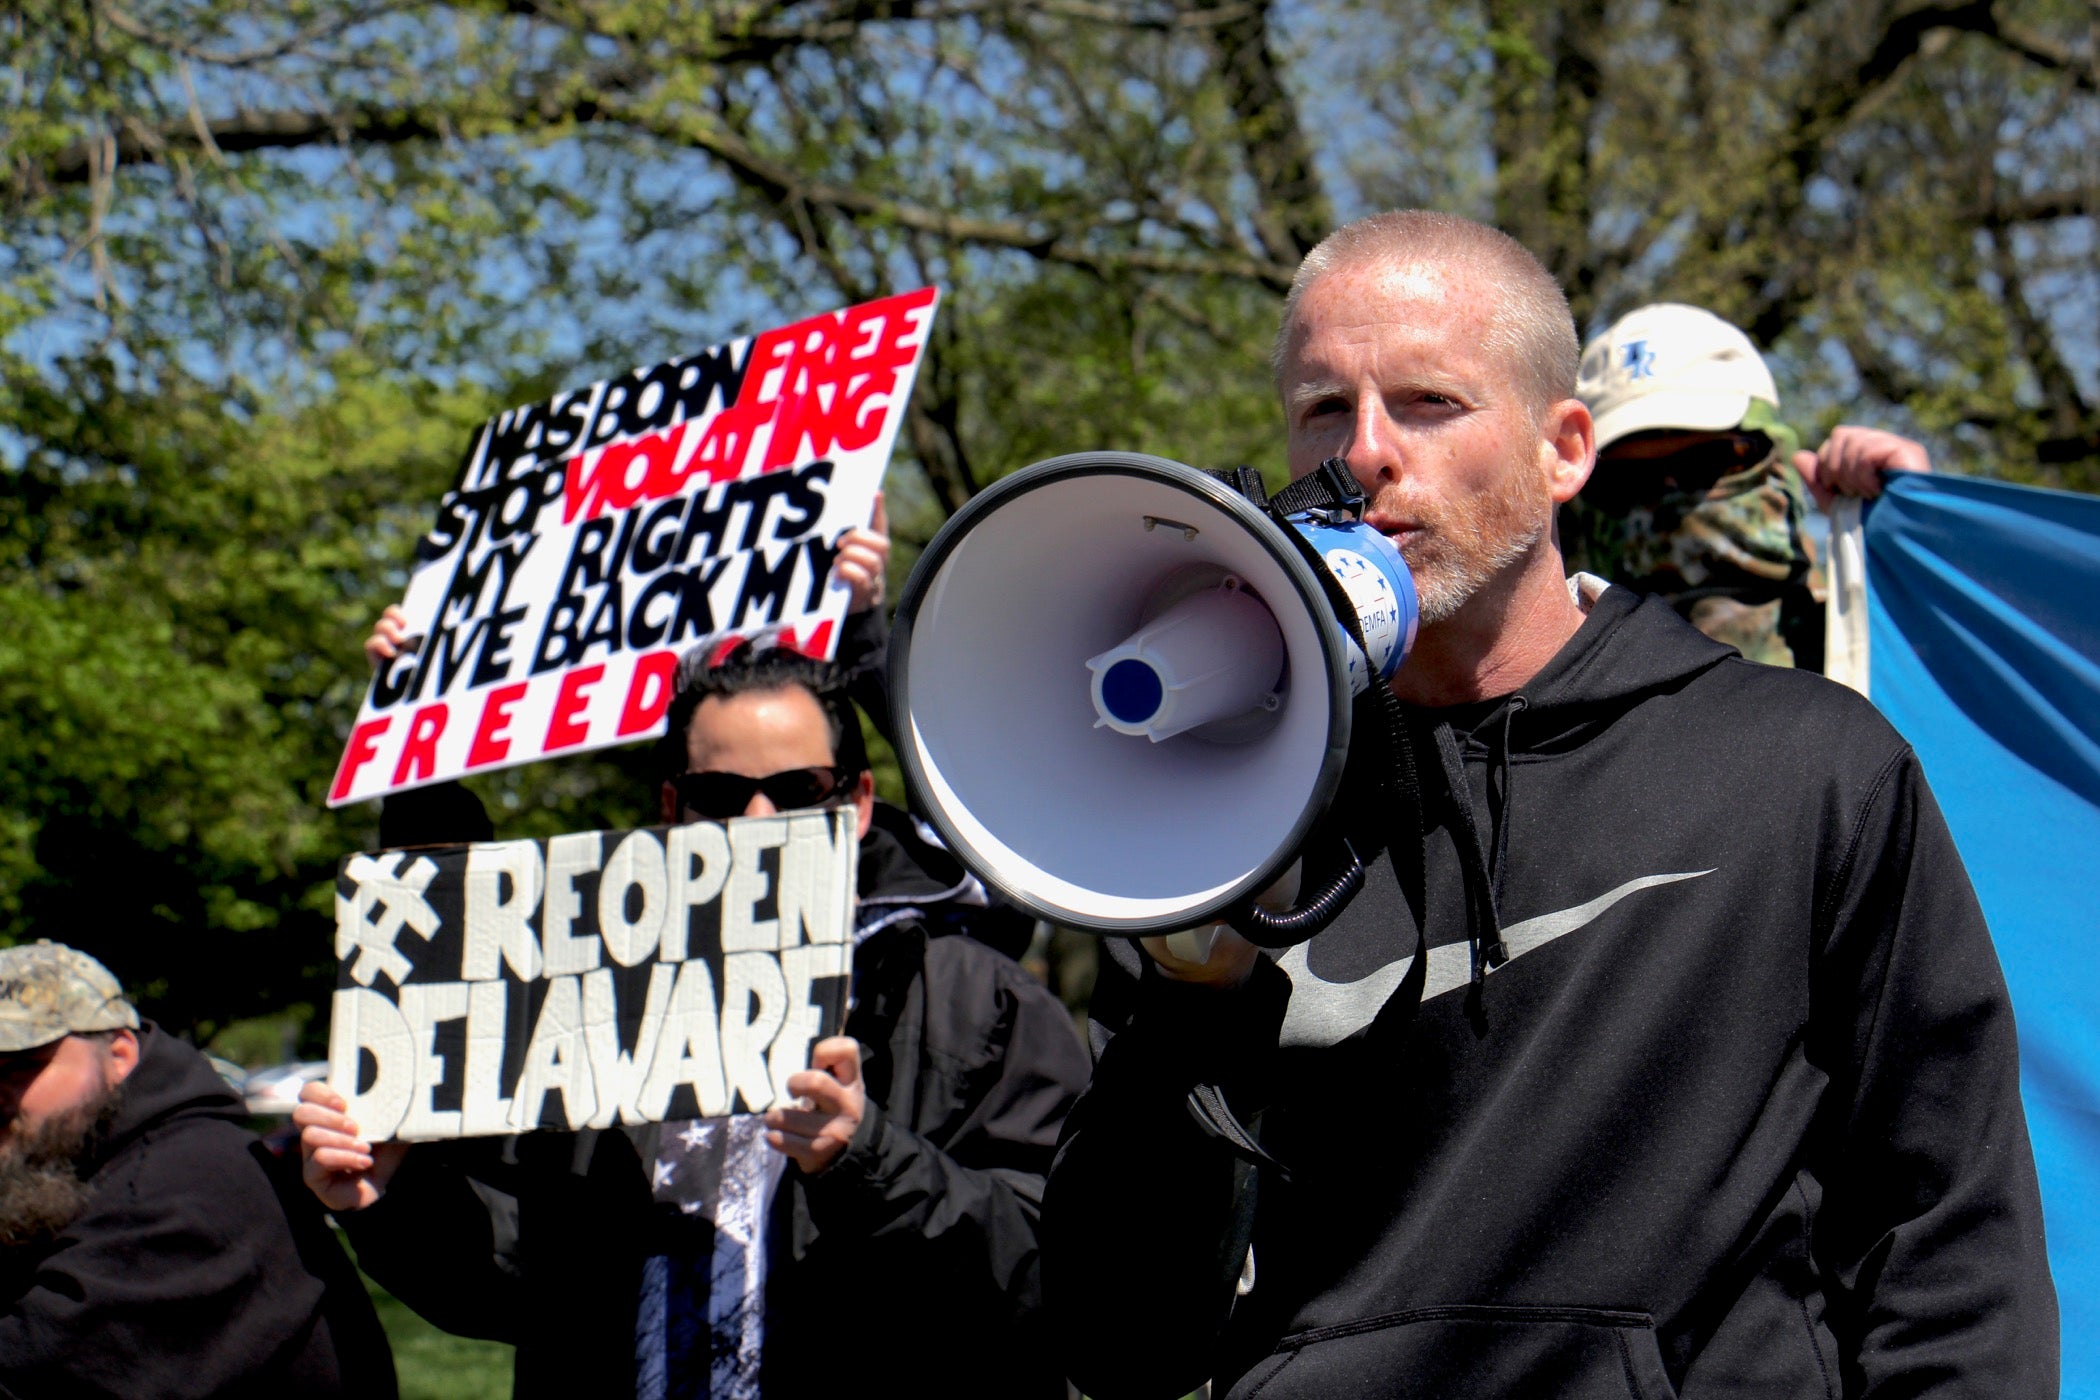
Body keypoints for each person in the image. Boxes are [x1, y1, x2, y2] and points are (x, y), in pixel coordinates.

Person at [1042, 211, 2056, 1398]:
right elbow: (1119, 1338)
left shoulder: (1806, 770)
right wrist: (1190, 993)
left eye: (1429, 401)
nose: (1366, 452)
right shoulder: (1238, 818)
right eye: (1324, 409)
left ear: (1563, 447)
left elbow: (1949, 1251)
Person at [298, 644, 1091, 1398]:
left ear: (854, 804)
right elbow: (537, 1283)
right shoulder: (589, 1001)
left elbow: (1070, 1283)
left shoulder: (973, 1002)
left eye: (797, 790)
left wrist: (869, 1161)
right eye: (719, 796)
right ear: (674, 809)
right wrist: (392, 1197)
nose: (756, 819)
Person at [0, 940, 396, 1399]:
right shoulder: (71, 1167)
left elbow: (36, 1376)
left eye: (22, 1066)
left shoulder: (191, 1182)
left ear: (120, 1056)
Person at [1563, 301, 1930, 669]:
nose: (1670, 504)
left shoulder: (1875, 649)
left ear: (1777, 456)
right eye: (1623, 481)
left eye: (1705, 464)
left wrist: (1921, 549)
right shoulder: (1549, 688)